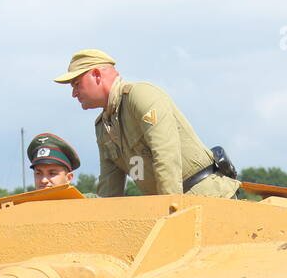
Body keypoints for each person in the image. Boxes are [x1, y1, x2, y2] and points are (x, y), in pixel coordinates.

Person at [54, 49, 239, 199]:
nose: (74, 93)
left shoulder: (140, 96)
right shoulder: (104, 127)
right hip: (172, 206)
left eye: (77, 84)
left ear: (96, 75)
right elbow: (109, 192)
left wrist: (170, 210)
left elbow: (165, 155)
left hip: (210, 199)